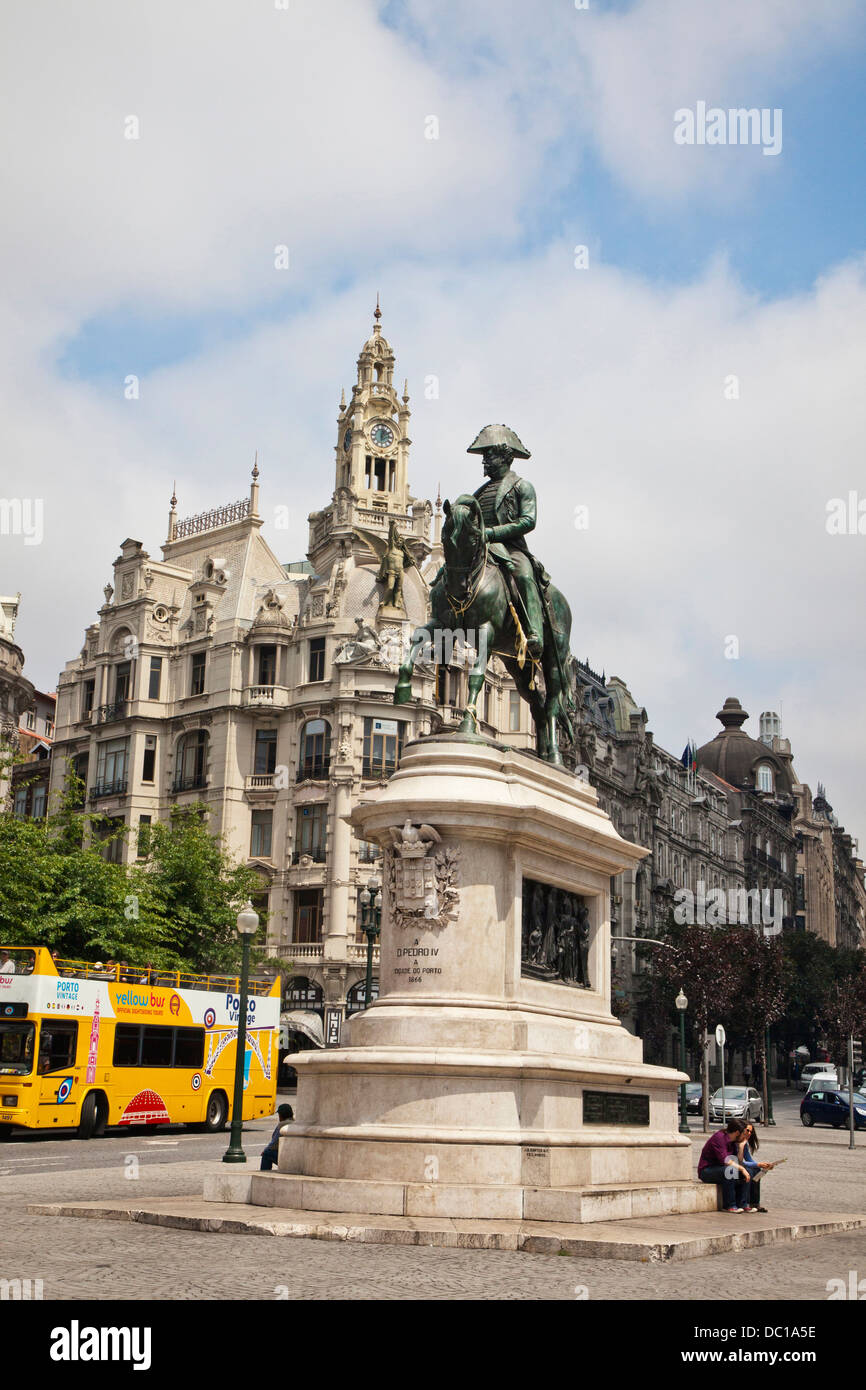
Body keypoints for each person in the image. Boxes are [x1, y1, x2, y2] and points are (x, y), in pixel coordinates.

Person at [697, 1117, 752, 1211]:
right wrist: (742, 1169)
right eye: (743, 1133)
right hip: (707, 1170)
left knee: (748, 1171)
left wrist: (741, 1147)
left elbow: (738, 1161)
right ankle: (729, 1205)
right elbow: (726, 1160)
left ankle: (743, 1204)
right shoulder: (719, 1137)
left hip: (722, 1168)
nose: (745, 1136)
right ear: (737, 1133)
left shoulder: (734, 1142)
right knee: (731, 1170)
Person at [737, 1121, 772, 1212]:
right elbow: (739, 1162)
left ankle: (755, 1203)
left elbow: (749, 1159)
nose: (749, 1133)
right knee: (750, 1171)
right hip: (731, 1167)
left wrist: (763, 1166)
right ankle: (744, 1203)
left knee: (757, 1170)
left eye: (750, 1132)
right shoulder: (737, 1142)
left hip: (739, 1165)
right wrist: (757, 1164)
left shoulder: (744, 1143)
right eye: (747, 1131)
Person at [259, 1103, 294, 1171]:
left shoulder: (282, 1124)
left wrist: (265, 1150)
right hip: (293, 1156)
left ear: (281, 1115)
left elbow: (274, 1142)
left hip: (285, 1157)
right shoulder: (295, 1123)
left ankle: (264, 1172)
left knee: (267, 1153)